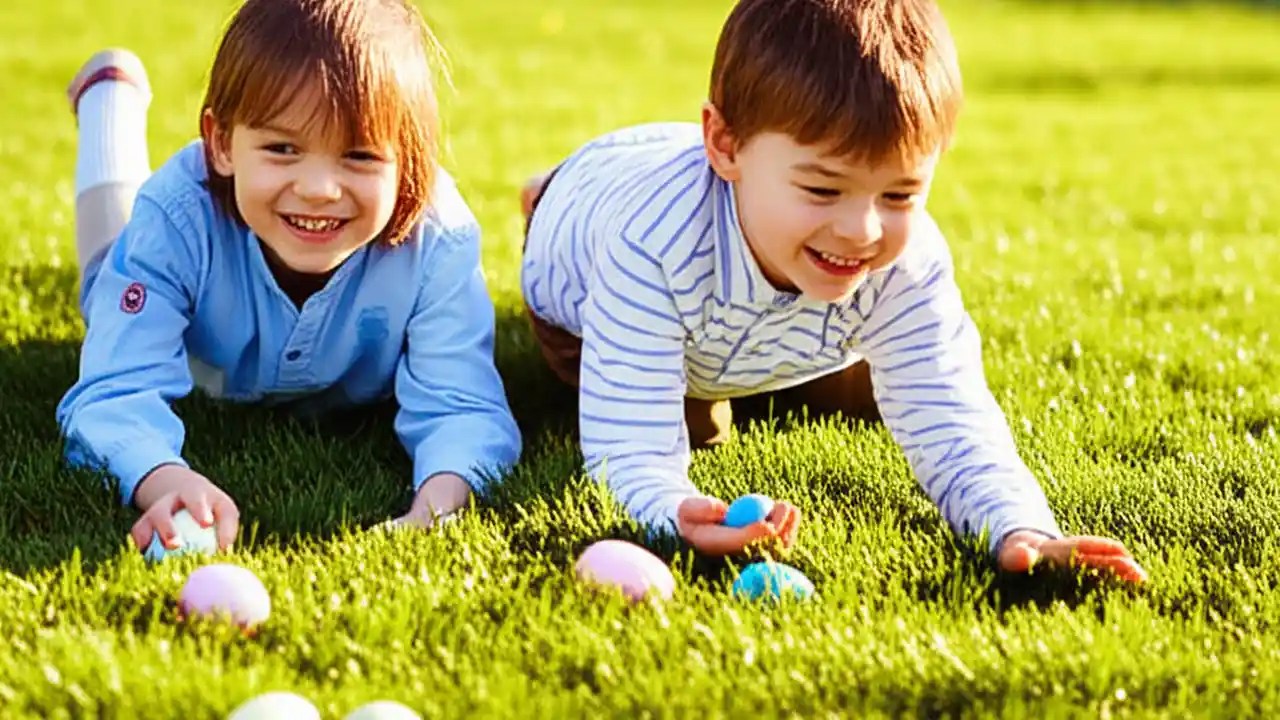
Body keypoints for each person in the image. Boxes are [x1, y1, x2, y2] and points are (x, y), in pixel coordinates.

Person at [519, 0, 1145, 582]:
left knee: (872, 388)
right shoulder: (649, 243)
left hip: (793, 304)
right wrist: (675, 510)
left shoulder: (904, 259)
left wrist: (1019, 528)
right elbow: (628, 443)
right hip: (595, 245)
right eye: (823, 189)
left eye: (899, 194)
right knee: (695, 420)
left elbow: (949, 414)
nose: (864, 229)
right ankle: (543, 195)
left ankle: (783, 339)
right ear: (726, 144)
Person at [56, 0, 521, 556]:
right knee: (104, 280)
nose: (320, 188)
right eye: (282, 149)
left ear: (409, 161)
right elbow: (115, 389)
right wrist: (167, 480)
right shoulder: (178, 217)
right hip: (197, 342)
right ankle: (111, 100)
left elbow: (463, 403)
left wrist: (438, 505)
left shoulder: (438, 240)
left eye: (360, 155)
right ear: (222, 143)